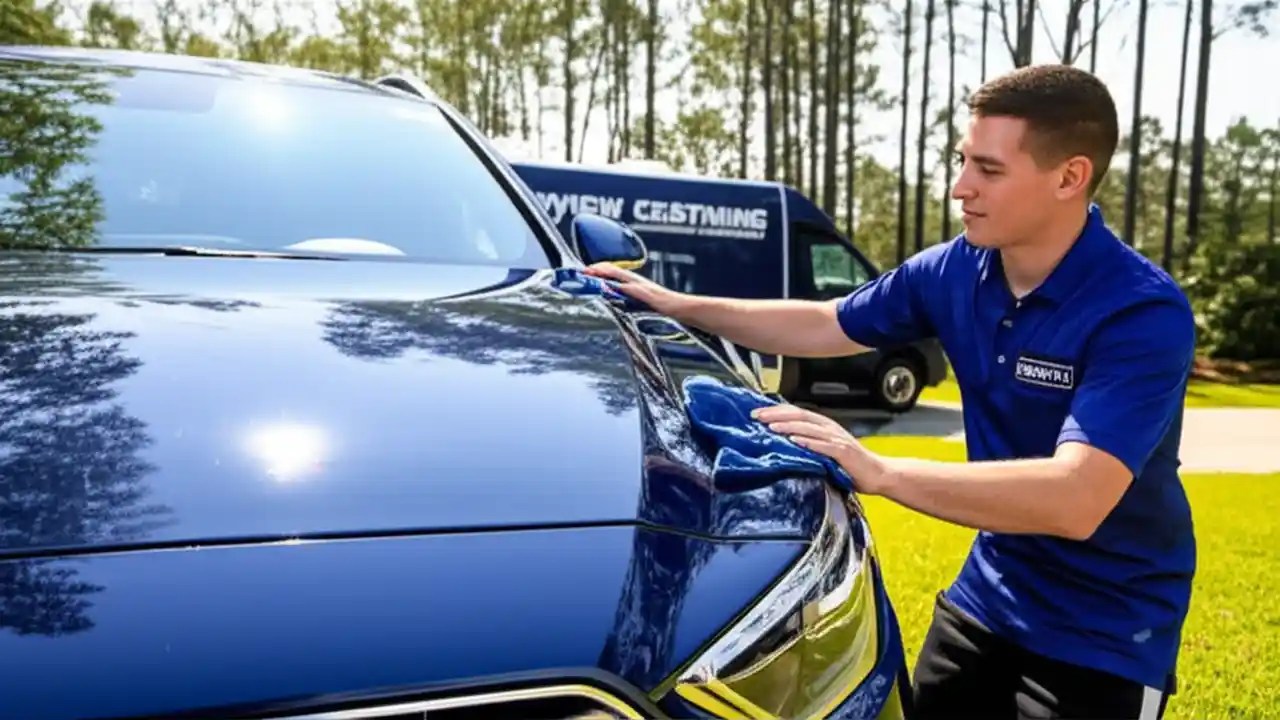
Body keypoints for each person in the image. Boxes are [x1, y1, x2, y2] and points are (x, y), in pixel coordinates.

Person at [585, 64, 1195, 719]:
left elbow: (1077, 499)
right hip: (990, 594)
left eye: (989, 171)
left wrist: (879, 471)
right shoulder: (957, 268)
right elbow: (828, 322)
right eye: (964, 161)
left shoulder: (1140, 312)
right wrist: (680, 305)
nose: (961, 188)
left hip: (1107, 631)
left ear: (1069, 177)